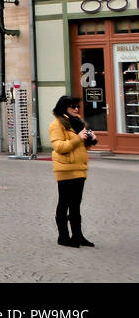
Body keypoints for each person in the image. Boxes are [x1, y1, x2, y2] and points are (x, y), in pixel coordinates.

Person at [48, 94, 95, 247]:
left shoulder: (77, 122)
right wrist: (78, 138)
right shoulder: (56, 125)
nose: (76, 109)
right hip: (65, 170)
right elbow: (60, 147)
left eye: (77, 106)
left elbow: (81, 146)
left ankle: (78, 235)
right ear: (64, 108)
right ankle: (63, 237)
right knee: (64, 203)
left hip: (79, 168)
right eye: (72, 106)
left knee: (76, 205)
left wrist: (91, 140)